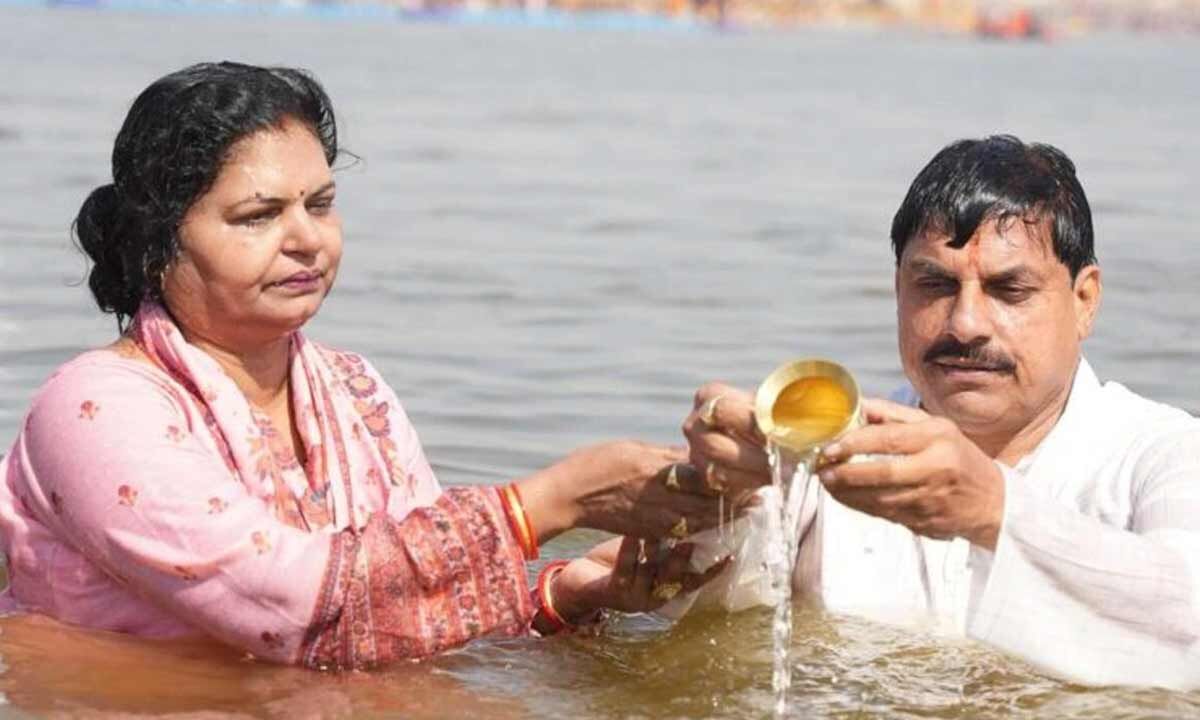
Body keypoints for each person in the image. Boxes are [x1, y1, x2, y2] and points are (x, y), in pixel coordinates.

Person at [0, 62, 752, 669]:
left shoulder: (352, 388)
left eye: (320, 205)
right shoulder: (96, 407)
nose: (307, 240)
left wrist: (572, 596)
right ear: (160, 241)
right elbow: (285, 607)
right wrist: (552, 501)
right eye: (258, 216)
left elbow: (399, 605)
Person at [682, 135, 1200, 689]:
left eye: (1009, 289)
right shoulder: (831, 453)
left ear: (1084, 300)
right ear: (897, 291)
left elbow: (1188, 623)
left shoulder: (1167, 455)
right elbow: (681, 609)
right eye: (935, 284)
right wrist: (715, 490)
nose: (965, 324)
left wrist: (992, 509)